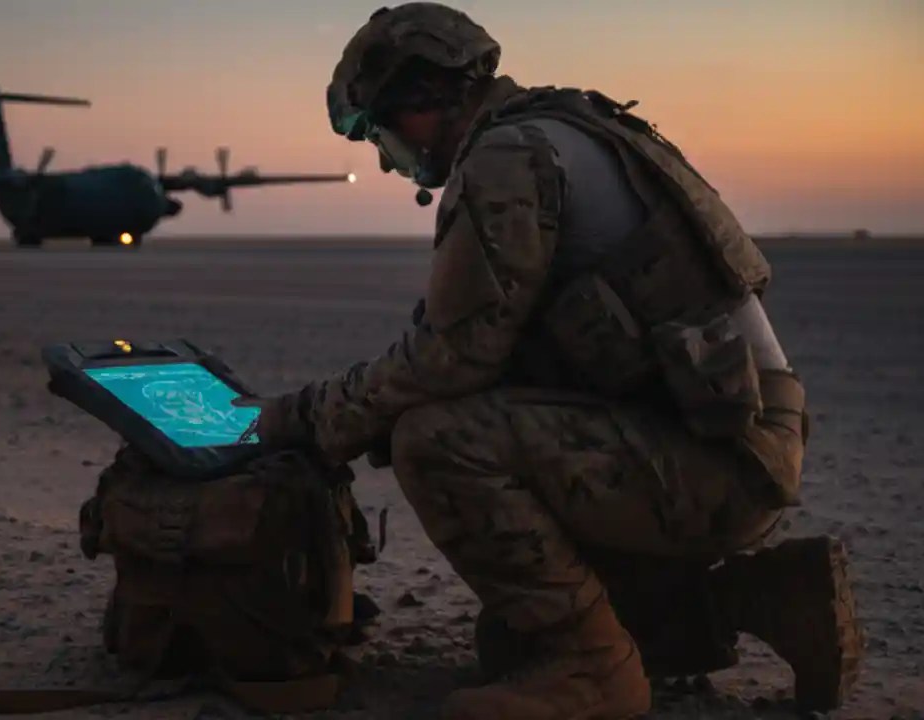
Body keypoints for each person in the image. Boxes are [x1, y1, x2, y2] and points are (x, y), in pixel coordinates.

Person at [244, 3, 864, 719]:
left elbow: (452, 359)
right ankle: (772, 599)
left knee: (438, 441)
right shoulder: (566, 129)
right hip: (734, 441)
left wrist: (303, 418)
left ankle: (592, 670)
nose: (384, 156)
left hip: (713, 466)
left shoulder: (508, 159)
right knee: (507, 644)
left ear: (419, 100)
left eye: (374, 130)